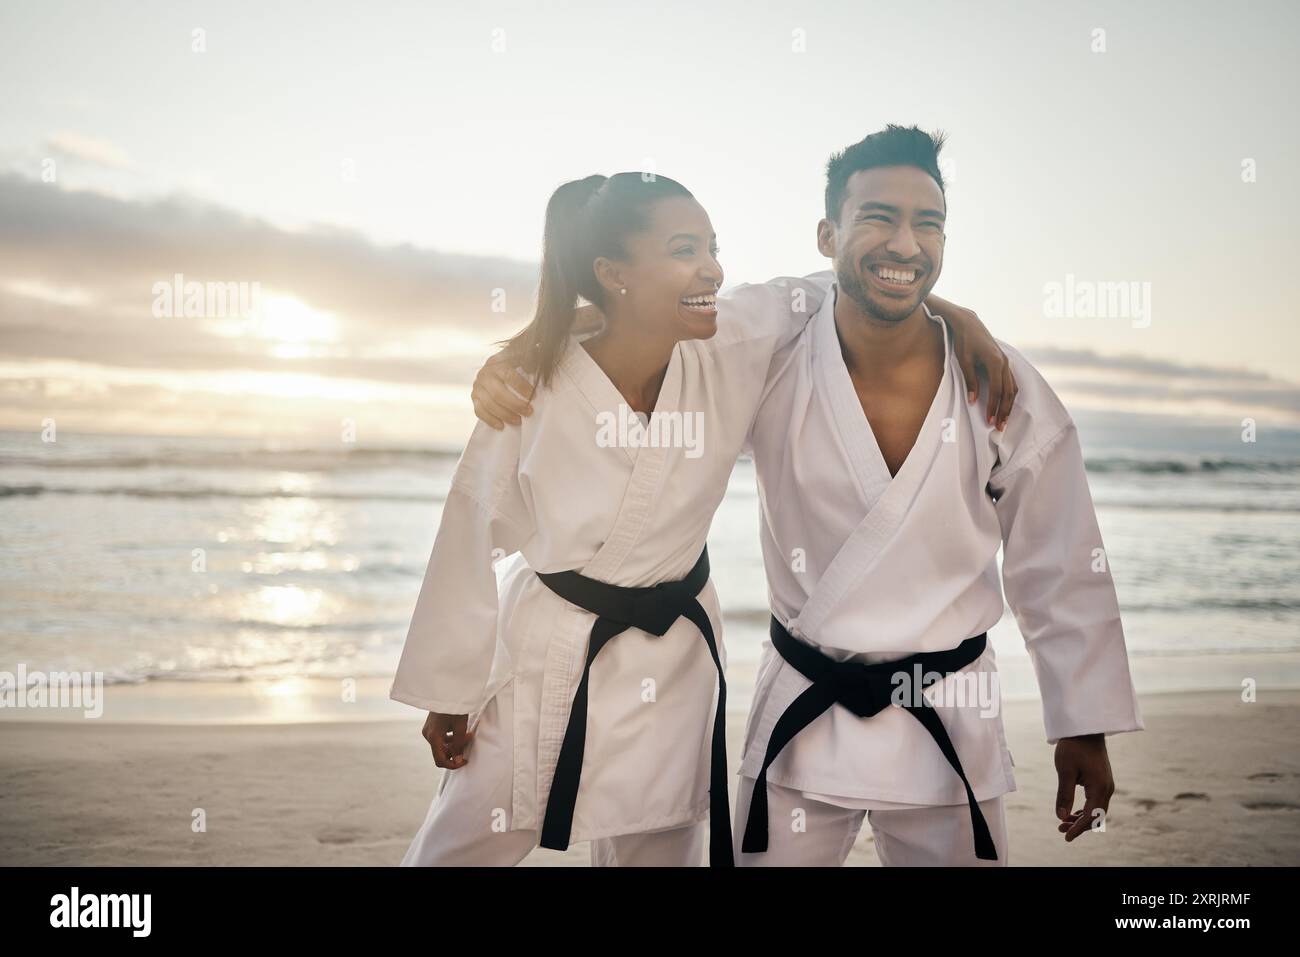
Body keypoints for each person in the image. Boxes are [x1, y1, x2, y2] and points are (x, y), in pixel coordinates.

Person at [416, 171, 1011, 868]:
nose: (715, 269)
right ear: (614, 274)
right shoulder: (529, 389)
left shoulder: (732, 342)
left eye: (712, 246)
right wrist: (447, 688)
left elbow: (844, 283)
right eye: (683, 249)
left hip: (675, 662)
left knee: (659, 847)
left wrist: (958, 317)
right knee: (458, 846)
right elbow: (469, 533)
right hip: (551, 655)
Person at [729, 125, 1144, 866]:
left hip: (948, 720)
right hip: (802, 711)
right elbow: (680, 338)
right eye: (878, 217)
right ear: (827, 234)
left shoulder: (998, 384)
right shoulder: (773, 352)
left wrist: (1082, 721)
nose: (906, 242)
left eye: (929, 223)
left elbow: (1059, 555)